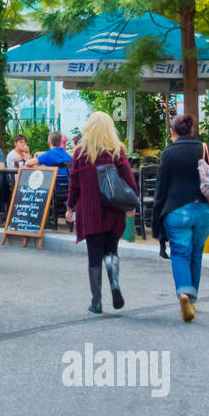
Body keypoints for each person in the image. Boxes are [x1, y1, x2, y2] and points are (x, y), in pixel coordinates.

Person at [153, 113, 209, 322]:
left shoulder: (169, 154)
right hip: (205, 211)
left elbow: (161, 190)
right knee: (196, 253)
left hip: (177, 212)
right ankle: (192, 301)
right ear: (191, 130)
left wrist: (156, 223)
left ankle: (184, 292)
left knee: (180, 253)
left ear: (173, 131)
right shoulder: (204, 149)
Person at [66, 111, 138, 314]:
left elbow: (74, 186)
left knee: (94, 256)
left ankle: (96, 301)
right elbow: (130, 181)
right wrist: (131, 205)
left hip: (90, 212)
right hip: (113, 210)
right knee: (111, 251)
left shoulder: (80, 154)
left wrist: (70, 208)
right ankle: (114, 283)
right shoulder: (116, 151)